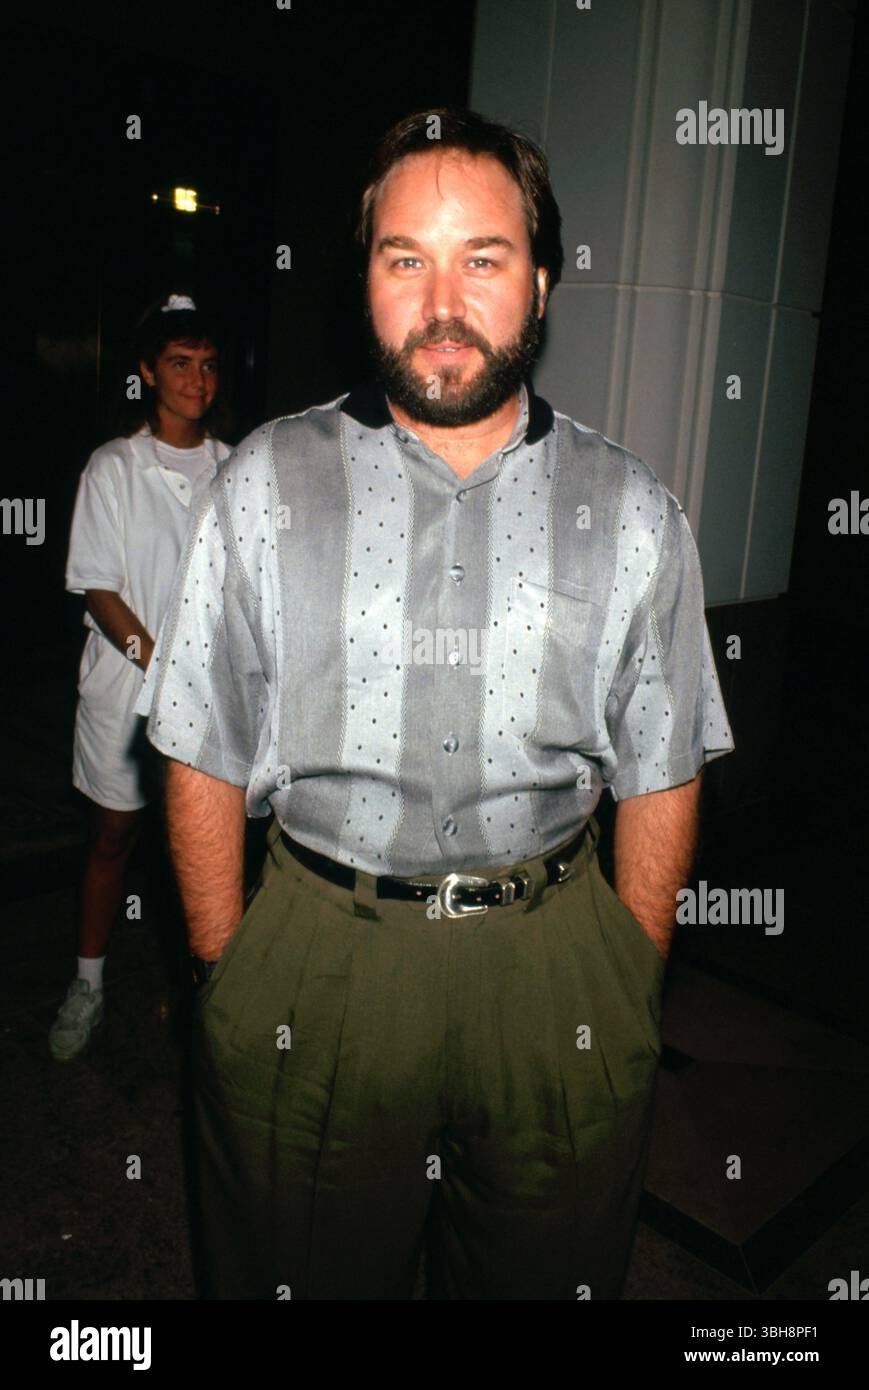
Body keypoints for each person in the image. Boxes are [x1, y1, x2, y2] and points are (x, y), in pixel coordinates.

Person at [136, 110, 735, 1299]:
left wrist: (623, 977)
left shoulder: (632, 511)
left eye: (484, 257)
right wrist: (226, 975)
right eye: (405, 256)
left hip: (553, 962)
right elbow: (200, 741)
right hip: (318, 958)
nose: (440, 297)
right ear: (364, 280)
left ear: (543, 282)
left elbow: (662, 760)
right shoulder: (261, 484)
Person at [50, 294, 232, 1062]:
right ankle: (87, 984)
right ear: (147, 373)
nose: (197, 379)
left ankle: (204, 995)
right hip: (127, 693)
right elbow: (98, 585)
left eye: (208, 364)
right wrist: (162, 666)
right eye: (180, 364)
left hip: (208, 701)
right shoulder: (114, 468)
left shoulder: (235, 467)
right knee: (113, 838)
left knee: (196, 847)